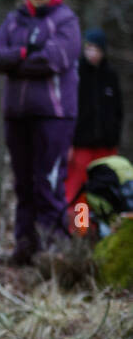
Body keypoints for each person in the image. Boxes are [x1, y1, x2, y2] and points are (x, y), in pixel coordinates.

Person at [0, 0, 81, 266]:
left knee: (48, 182)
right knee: (23, 184)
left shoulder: (65, 20)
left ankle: (56, 251)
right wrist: (25, 54)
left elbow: (54, 60)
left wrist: (17, 61)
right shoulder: (14, 20)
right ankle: (25, 248)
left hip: (54, 115)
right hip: (17, 114)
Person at [66, 28, 123, 234]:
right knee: (80, 192)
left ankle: (104, 232)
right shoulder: (76, 74)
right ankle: (80, 232)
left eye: (96, 49)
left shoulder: (110, 76)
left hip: (106, 147)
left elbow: (118, 111)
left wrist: (114, 138)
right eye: (88, 48)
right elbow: (69, 110)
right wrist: (69, 142)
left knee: (105, 191)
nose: (92, 53)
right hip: (81, 145)